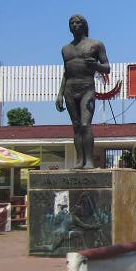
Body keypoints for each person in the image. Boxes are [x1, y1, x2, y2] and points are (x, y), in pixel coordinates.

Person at [55, 14, 110, 169]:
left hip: (87, 87)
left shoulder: (96, 44)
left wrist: (96, 66)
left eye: (77, 22)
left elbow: (107, 67)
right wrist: (59, 94)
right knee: (76, 126)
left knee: (86, 124)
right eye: (71, 23)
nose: (74, 25)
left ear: (84, 25)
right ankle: (80, 160)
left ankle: (90, 161)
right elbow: (66, 73)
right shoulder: (65, 49)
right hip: (69, 89)